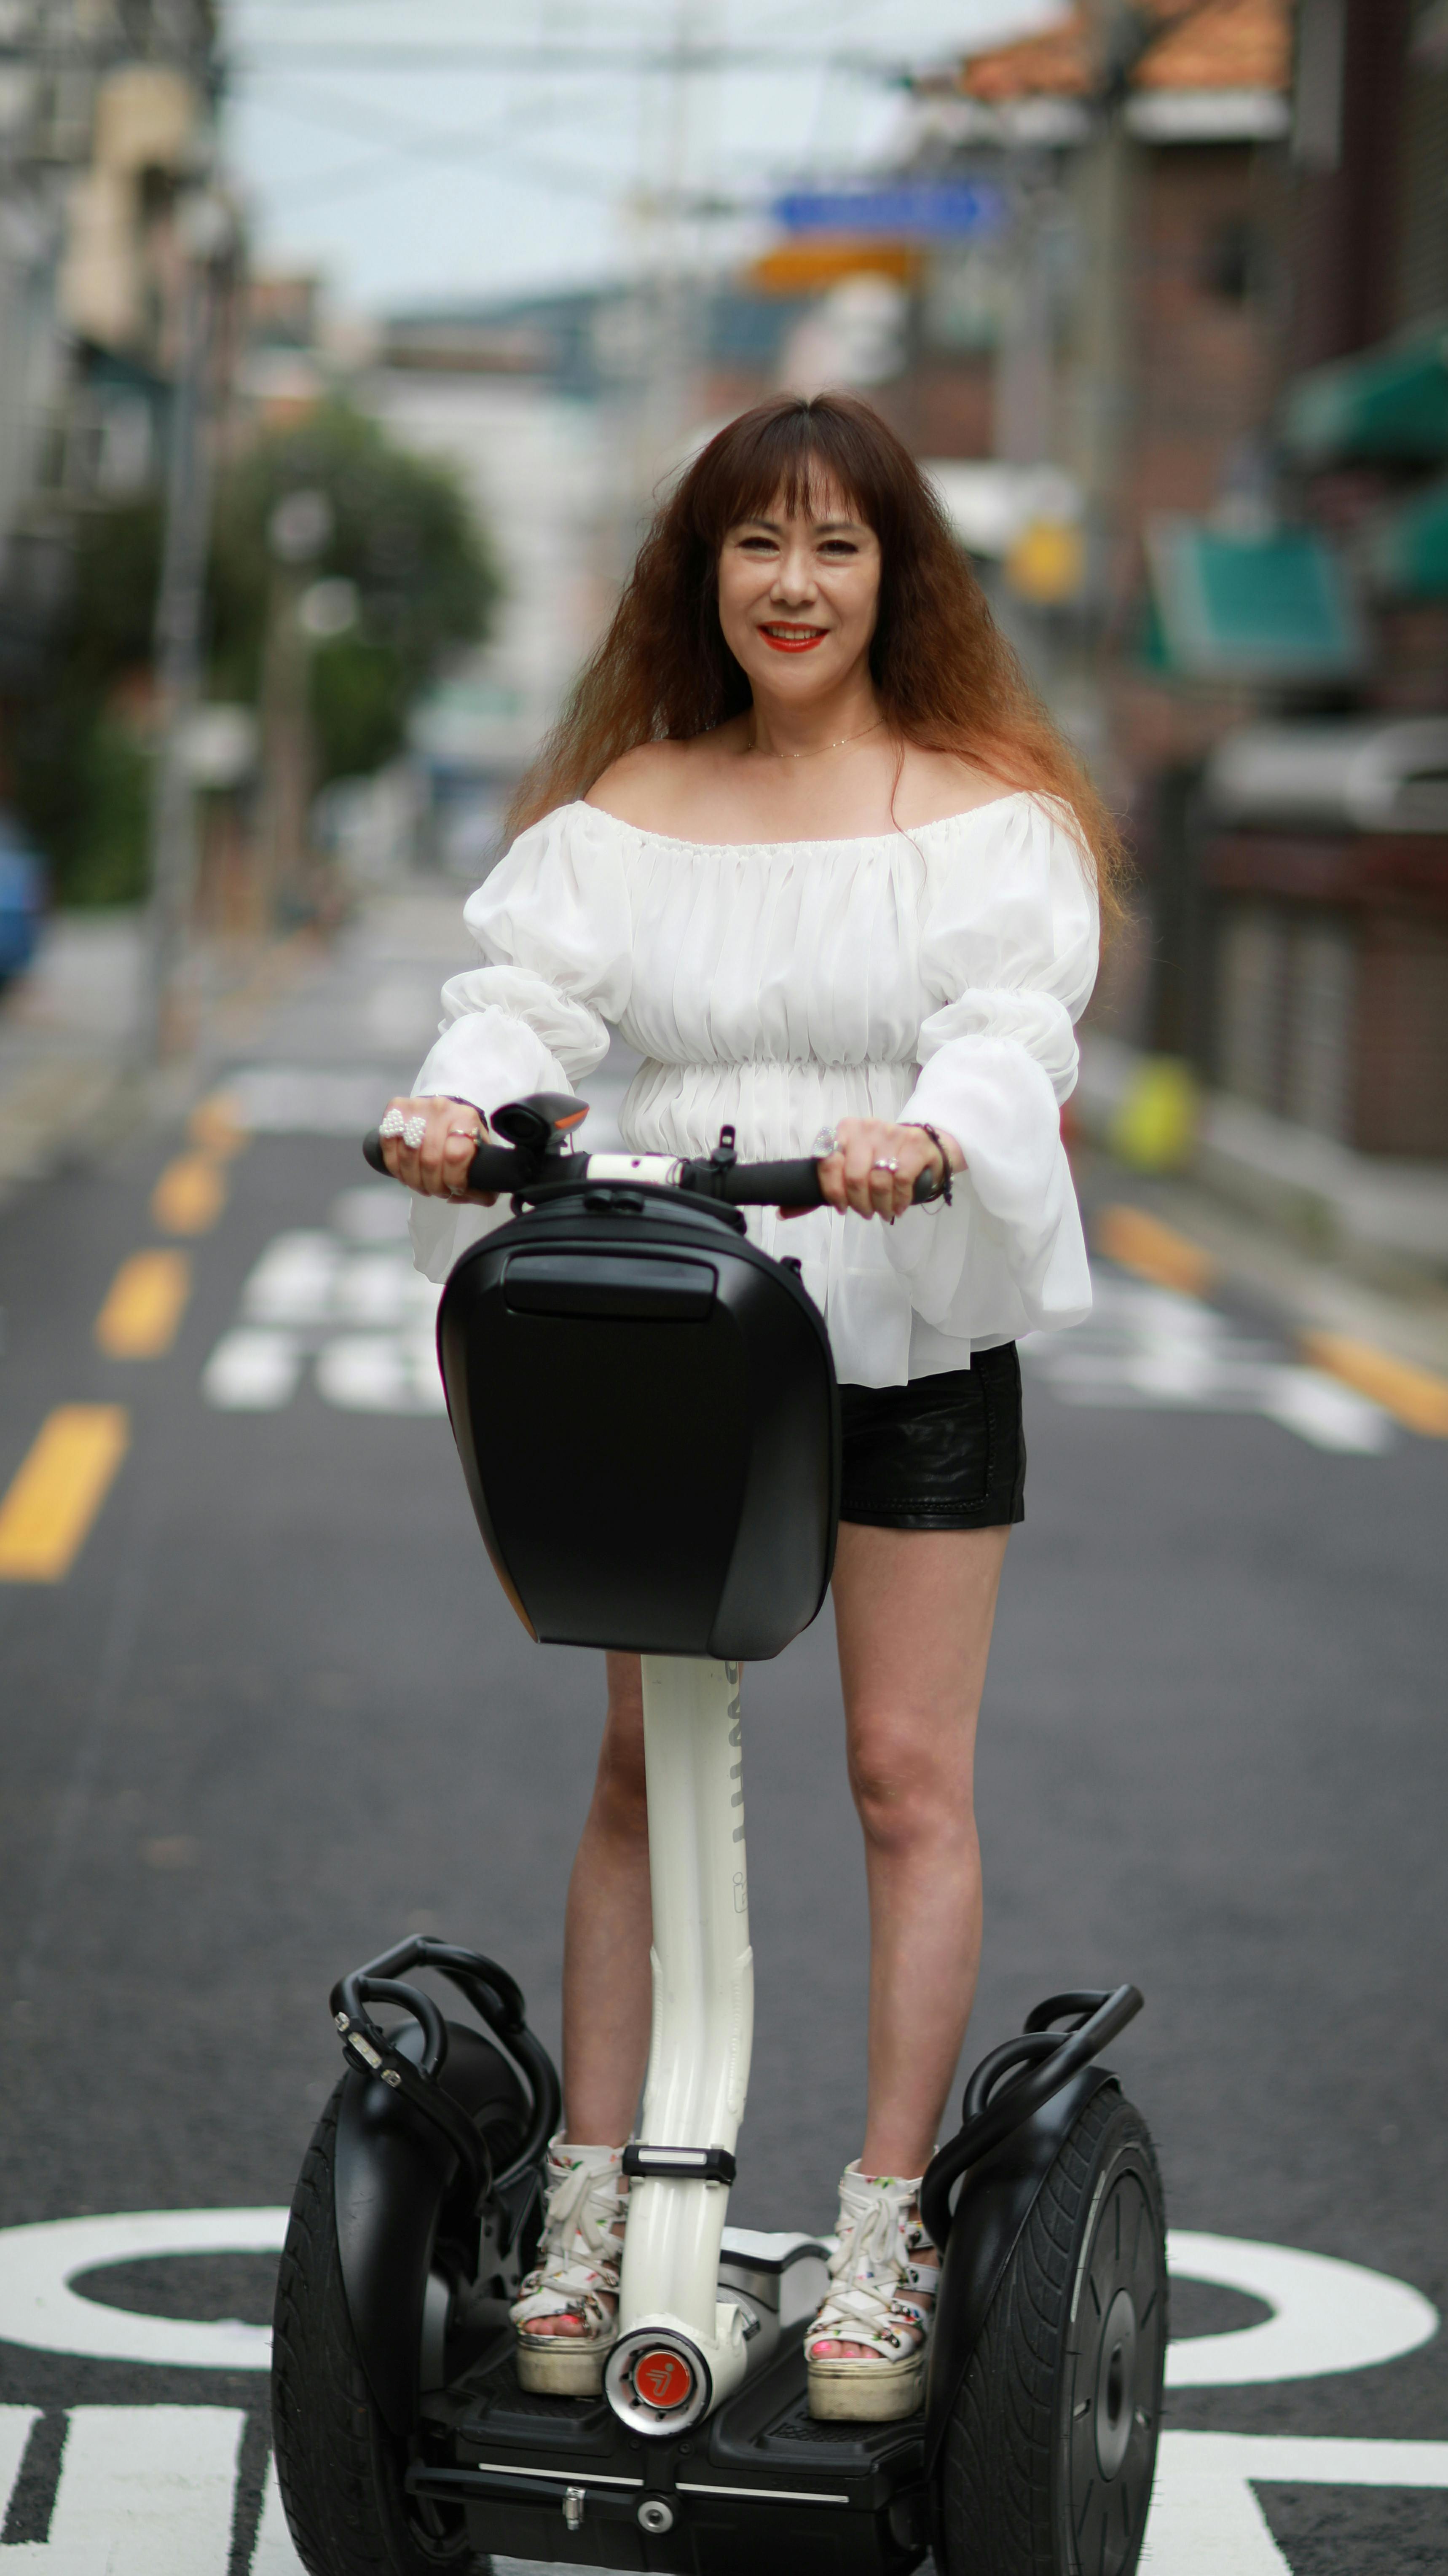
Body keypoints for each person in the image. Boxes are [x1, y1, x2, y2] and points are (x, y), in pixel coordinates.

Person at [381, 392, 1118, 2424]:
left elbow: (1002, 1032)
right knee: (644, 1778)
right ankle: (597, 2202)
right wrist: (459, 1107)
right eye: (755, 545)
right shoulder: (632, 803)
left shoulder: (978, 812)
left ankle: (882, 2230)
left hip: (903, 1326)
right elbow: (522, 1006)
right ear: (702, 573)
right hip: (678, 1327)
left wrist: (927, 1138)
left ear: (897, 576)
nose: (793, 585)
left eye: (837, 547)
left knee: (903, 1777)